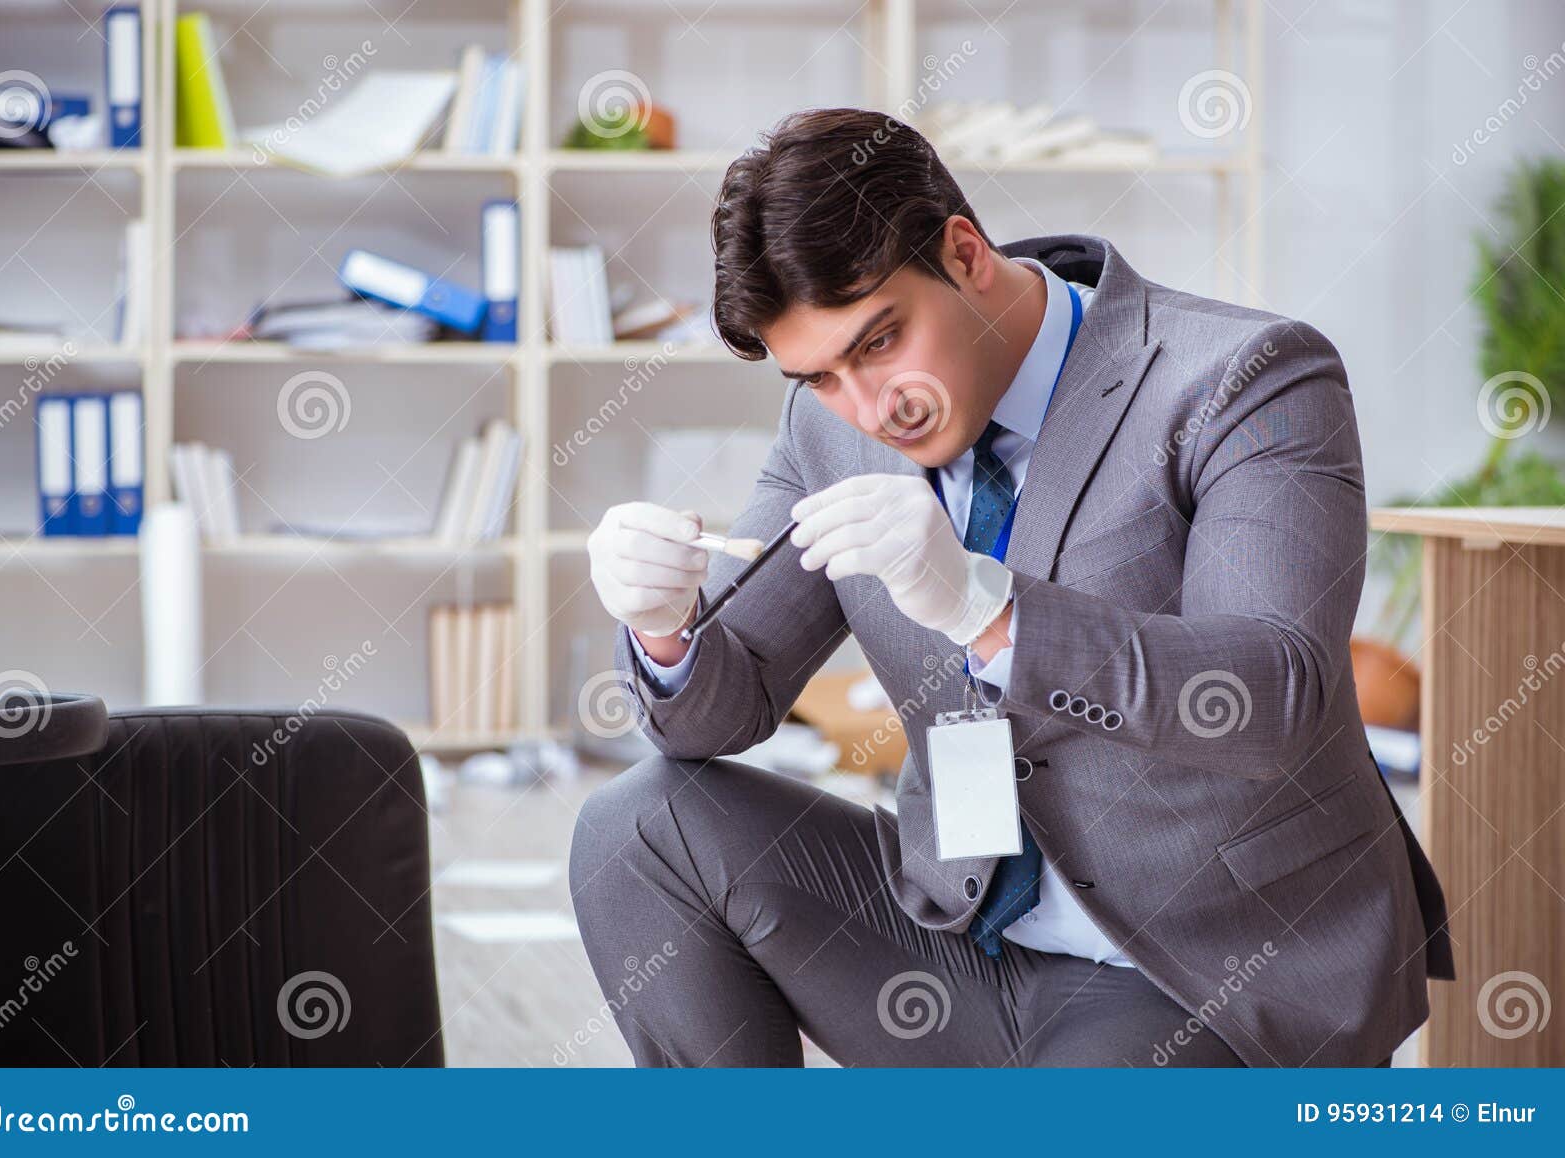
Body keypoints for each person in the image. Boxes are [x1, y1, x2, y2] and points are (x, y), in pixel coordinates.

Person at [569, 107, 1453, 1068]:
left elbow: (1273, 695)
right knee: (636, 831)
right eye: (818, 375)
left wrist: (988, 612)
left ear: (963, 254)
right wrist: (666, 630)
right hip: (957, 946)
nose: (871, 410)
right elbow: (721, 707)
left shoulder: (1244, 378)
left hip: (1196, 975)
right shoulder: (829, 425)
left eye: (879, 343)